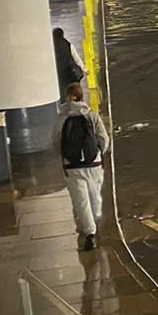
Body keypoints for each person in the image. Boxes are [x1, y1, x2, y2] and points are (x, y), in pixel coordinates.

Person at [55, 83, 109, 251]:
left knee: (81, 201)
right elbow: (103, 138)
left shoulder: (62, 118)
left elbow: (55, 140)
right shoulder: (91, 115)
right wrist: (98, 152)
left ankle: (90, 233)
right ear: (82, 97)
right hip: (94, 163)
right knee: (95, 195)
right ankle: (98, 220)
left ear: (68, 97)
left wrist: (65, 156)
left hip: (72, 166)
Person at [52, 26, 85, 95]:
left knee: (63, 93)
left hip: (59, 75)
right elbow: (76, 58)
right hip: (70, 73)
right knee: (73, 92)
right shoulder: (68, 45)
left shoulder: (51, 47)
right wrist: (84, 69)